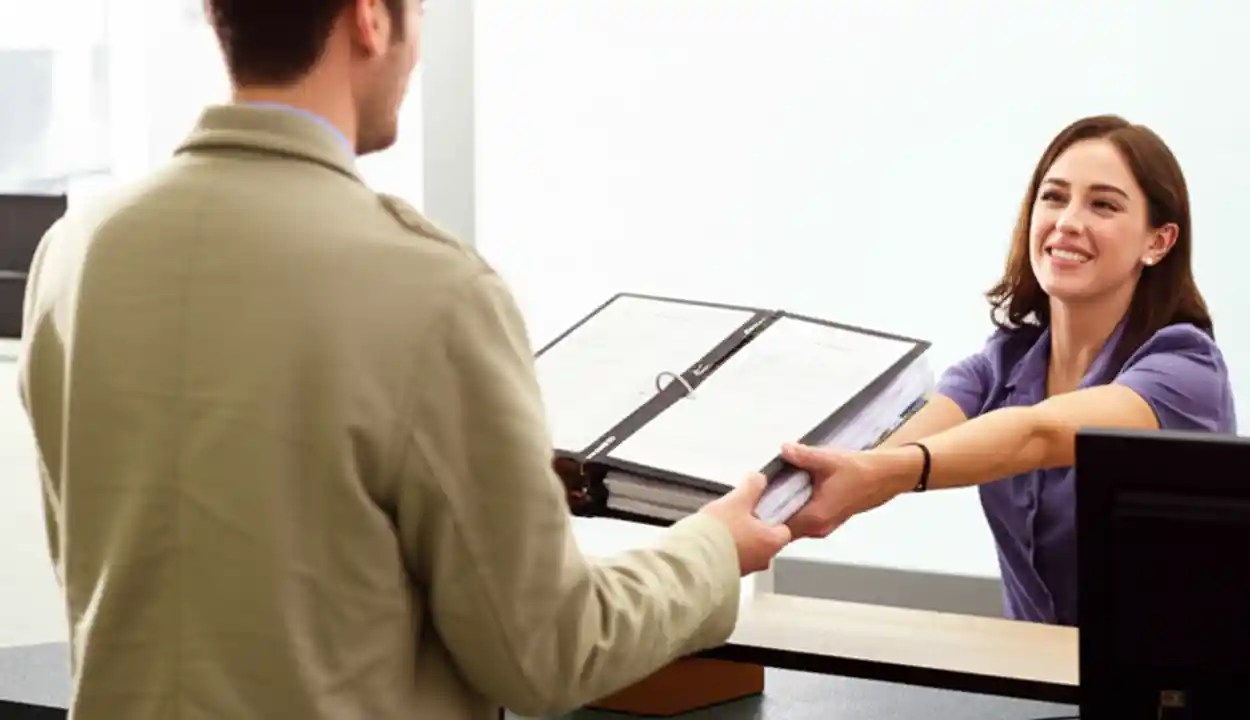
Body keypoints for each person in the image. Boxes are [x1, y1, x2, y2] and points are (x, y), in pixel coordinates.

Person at [15, 1, 791, 718]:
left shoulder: (76, 252)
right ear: (370, 19)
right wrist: (715, 550)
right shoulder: (431, 286)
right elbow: (549, 651)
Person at [780, 114, 1236, 627]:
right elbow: (890, 451)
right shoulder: (1005, 360)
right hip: (1033, 668)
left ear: (1158, 241)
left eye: (1103, 205)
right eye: (1054, 197)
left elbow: (1037, 434)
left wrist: (885, 473)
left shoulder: (1185, 369)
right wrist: (781, 503)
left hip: (1171, 675)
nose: (1068, 221)